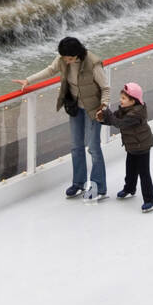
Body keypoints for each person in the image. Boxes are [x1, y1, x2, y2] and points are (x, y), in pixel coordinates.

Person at [20, 37, 110, 200]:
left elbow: (105, 88)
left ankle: (99, 187)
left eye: (69, 59)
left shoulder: (93, 63)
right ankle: (78, 183)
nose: (66, 62)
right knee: (76, 146)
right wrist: (28, 80)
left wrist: (103, 107)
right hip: (75, 108)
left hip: (93, 110)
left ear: (76, 55)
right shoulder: (62, 59)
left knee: (93, 148)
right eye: (64, 58)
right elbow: (50, 70)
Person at [96, 82, 153, 212]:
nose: (120, 100)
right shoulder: (126, 110)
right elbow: (114, 118)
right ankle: (129, 188)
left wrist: (107, 113)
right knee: (130, 168)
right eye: (121, 97)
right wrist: (102, 119)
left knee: (144, 173)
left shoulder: (136, 114)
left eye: (124, 98)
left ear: (133, 101)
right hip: (133, 145)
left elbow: (119, 123)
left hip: (142, 146)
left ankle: (151, 200)